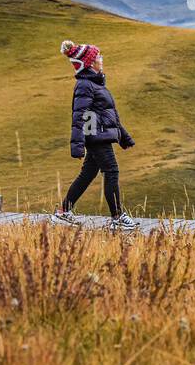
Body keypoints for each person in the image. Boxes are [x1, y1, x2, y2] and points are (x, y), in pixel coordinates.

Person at [51, 40, 137, 230]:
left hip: (98, 135)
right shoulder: (85, 85)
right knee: (112, 171)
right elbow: (79, 116)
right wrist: (79, 145)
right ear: (90, 62)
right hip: (96, 137)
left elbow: (109, 115)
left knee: (88, 173)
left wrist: (124, 137)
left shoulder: (94, 83)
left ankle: (63, 212)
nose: (101, 58)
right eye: (98, 56)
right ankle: (117, 218)